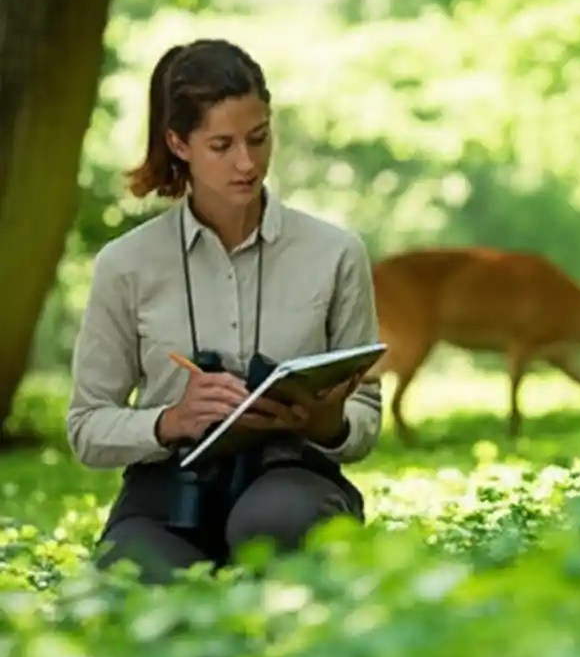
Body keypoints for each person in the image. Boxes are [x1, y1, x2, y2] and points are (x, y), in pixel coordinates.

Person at [65, 39, 383, 584]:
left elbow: (367, 412)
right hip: (168, 491)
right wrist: (171, 421)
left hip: (291, 477)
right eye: (222, 144)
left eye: (259, 138)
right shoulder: (126, 265)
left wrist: (327, 421)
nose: (247, 162)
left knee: (276, 524)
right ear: (178, 143)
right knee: (132, 578)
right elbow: (86, 426)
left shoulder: (335, 252)